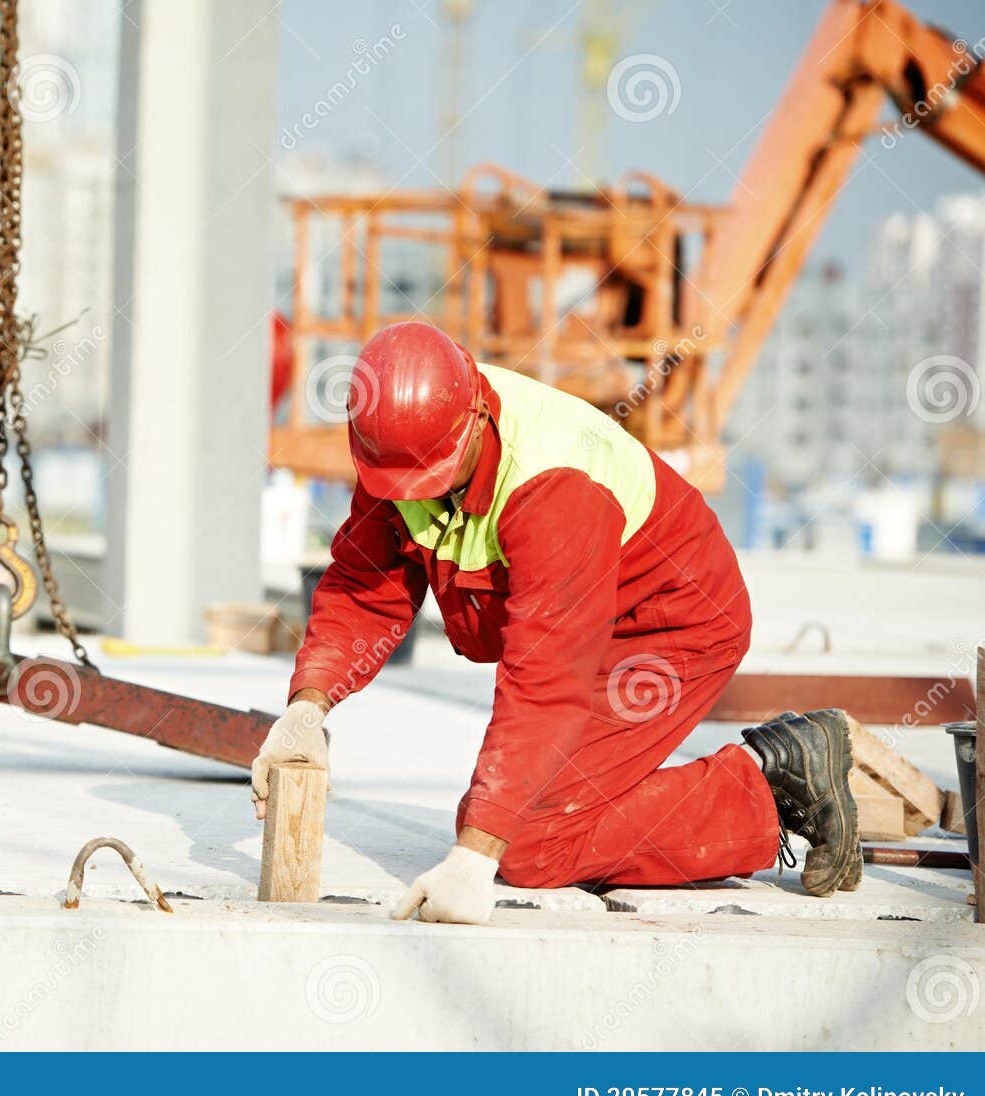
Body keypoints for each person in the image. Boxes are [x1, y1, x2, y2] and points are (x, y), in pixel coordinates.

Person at [250, 320, 859, 924]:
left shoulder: (553, 487)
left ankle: (771, 785)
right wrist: (307, 708)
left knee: (530, 842)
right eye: (398, 486)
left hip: (670, 626)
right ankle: (749, 779)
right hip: (592, 619)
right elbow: (365, 587)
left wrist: (475, 856)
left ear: (475, 420)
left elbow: (545, 683)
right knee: (511, 818)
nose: (412, 497)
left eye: (429, 481)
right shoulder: (407, 439)